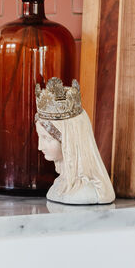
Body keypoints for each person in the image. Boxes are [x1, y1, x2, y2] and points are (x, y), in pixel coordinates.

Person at [35, 77, 115, 205]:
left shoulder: (87, 192)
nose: (40, 146)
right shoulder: (58, 185)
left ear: (70, 140)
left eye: (47, 138)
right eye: (40, 137)